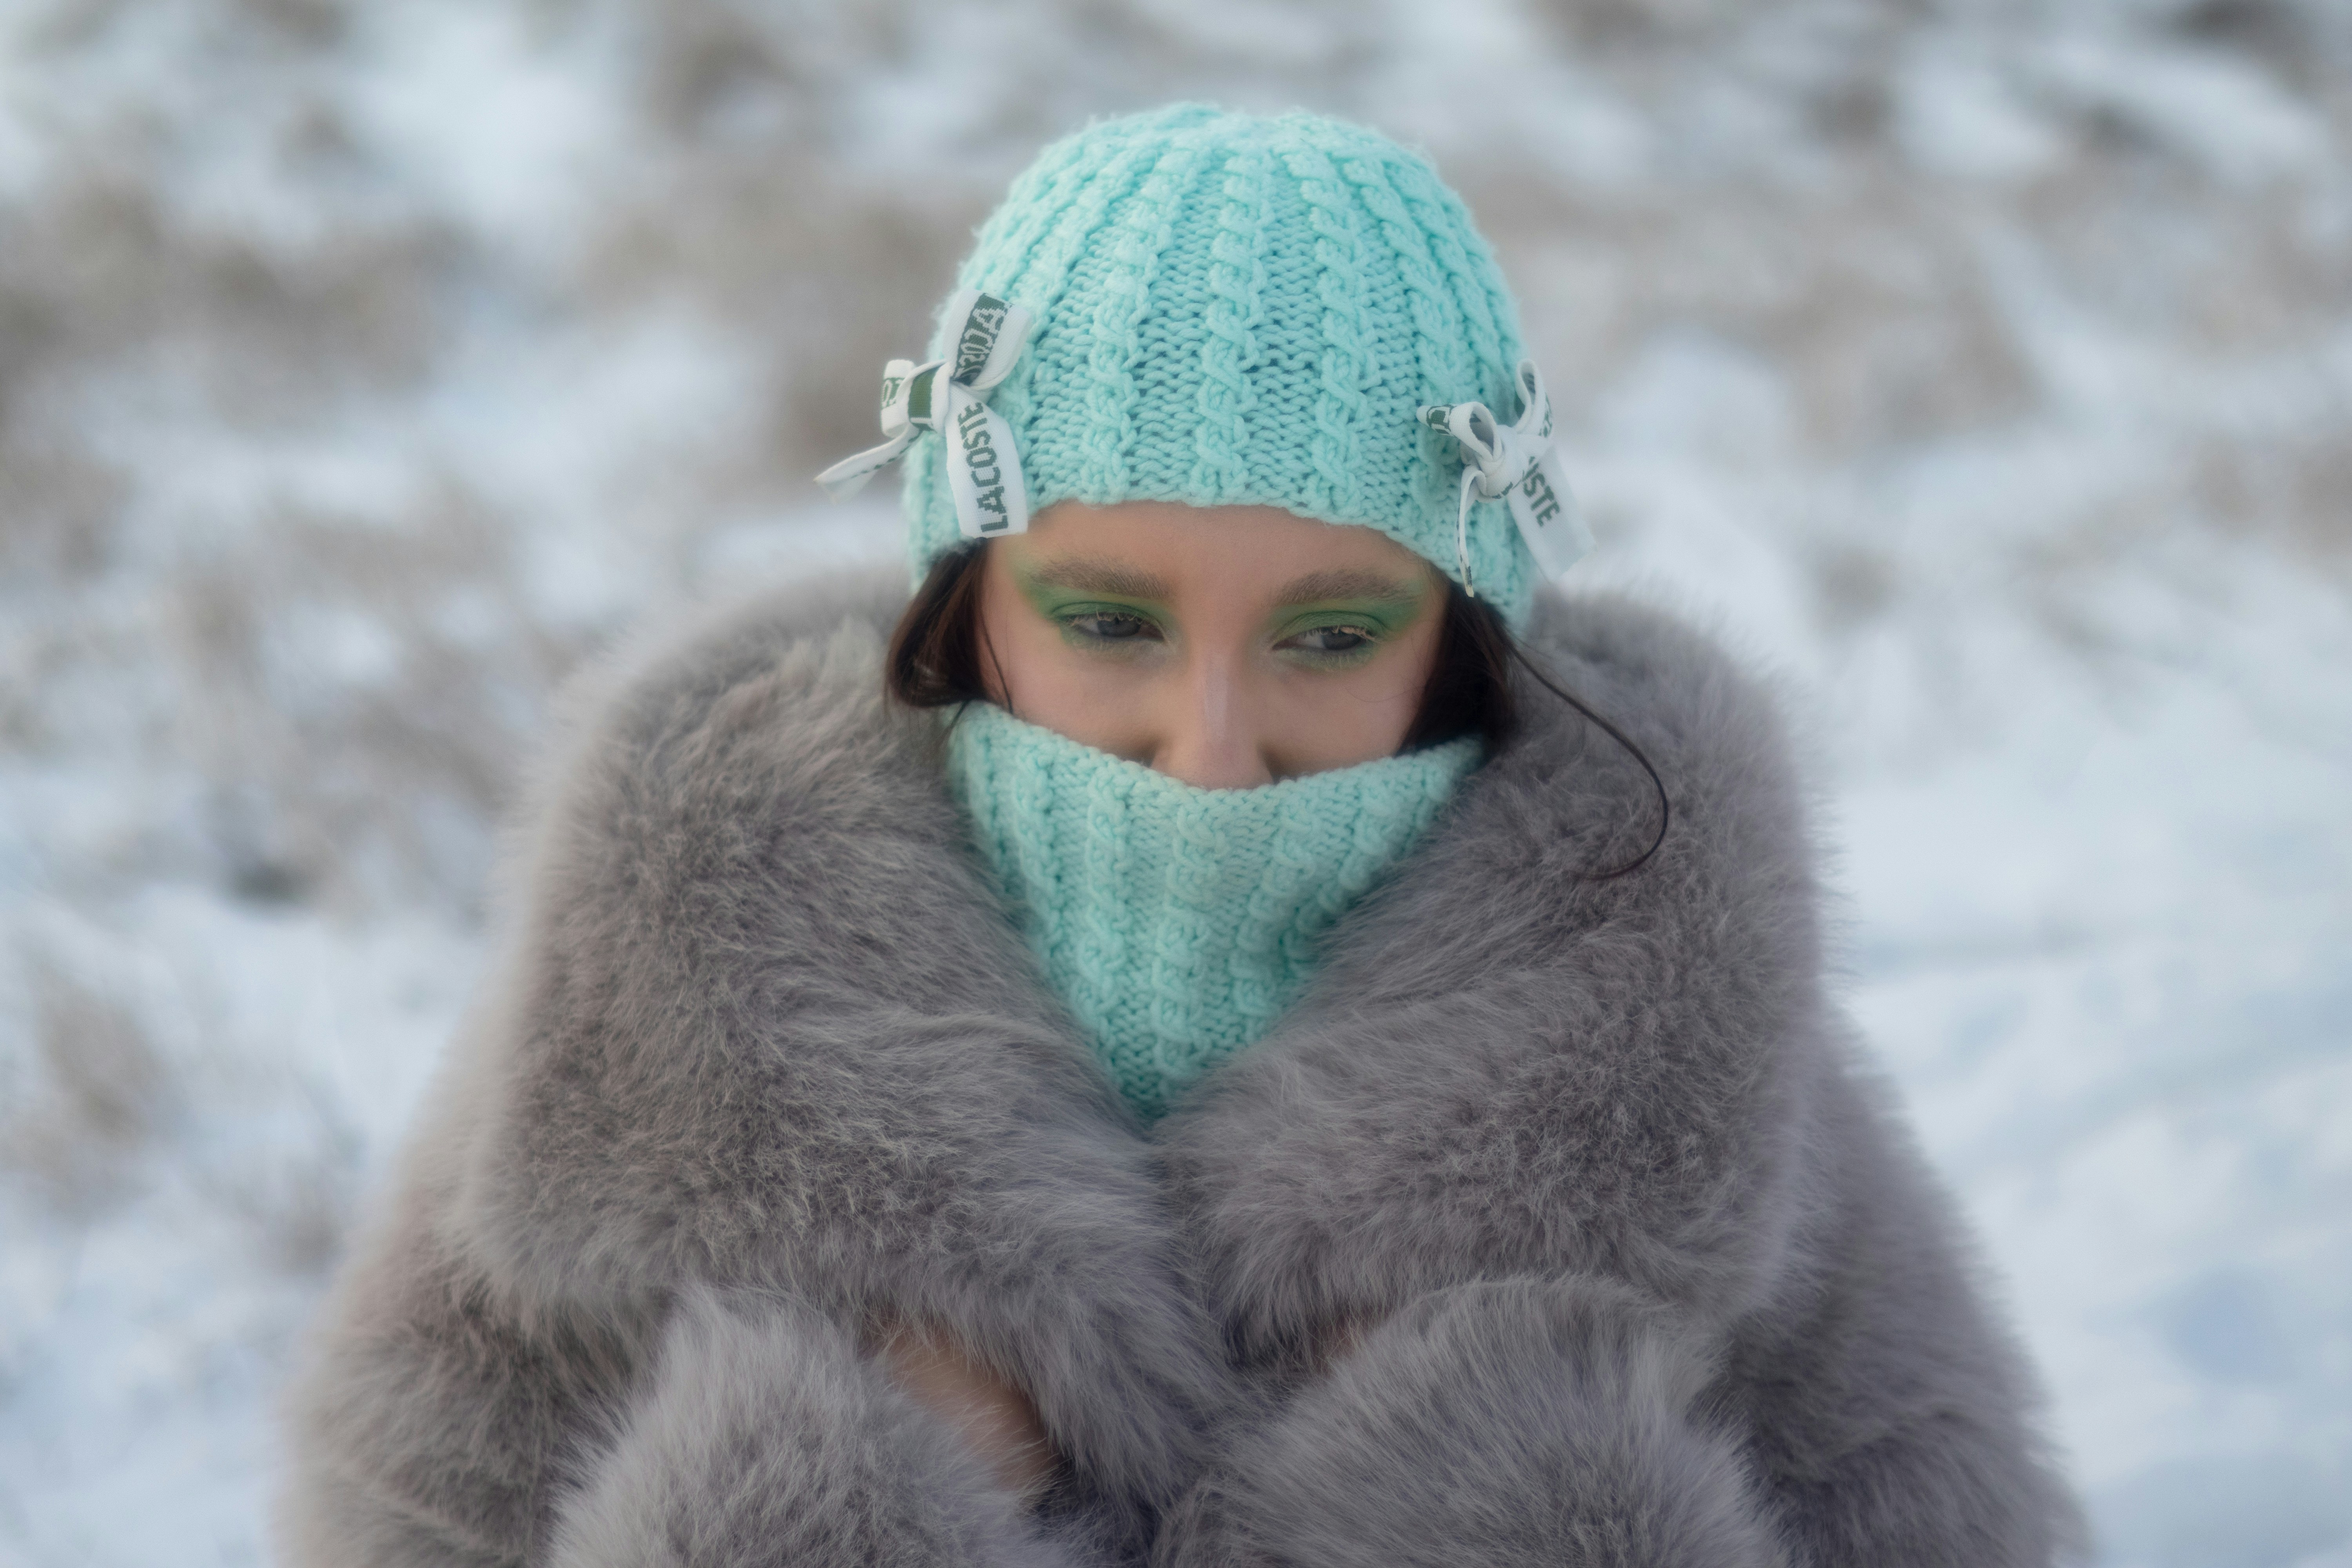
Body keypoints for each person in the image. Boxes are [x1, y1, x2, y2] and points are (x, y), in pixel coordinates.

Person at [278, 105, 2083, 1568]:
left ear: (1464, 632)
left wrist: (1512, 1494)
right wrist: (850, 1500)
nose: (1209, 752)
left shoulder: (1663, 1011)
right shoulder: (663, 1003)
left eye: (1329, 635)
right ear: (965, 589)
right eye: (1112, 622)